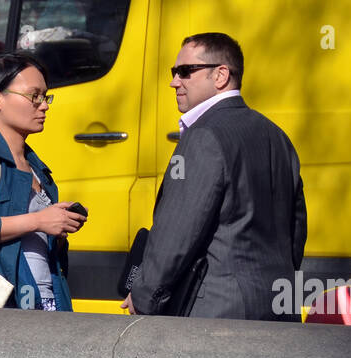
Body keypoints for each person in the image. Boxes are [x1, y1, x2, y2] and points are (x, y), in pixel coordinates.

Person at [123, 32, 306, 320]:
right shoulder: (277, 136)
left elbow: (177, 232)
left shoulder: (202, 137)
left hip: (220, 314)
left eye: (185, 71)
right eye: (174, 72)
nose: (174, 81)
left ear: (221, 75)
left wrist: (145, 295)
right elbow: (295, 231)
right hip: (280, 306)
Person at [0, 51, 85, 311]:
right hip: (7, 308)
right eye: (34, 96)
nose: (44, 105)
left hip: (48, 301)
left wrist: (59, 227)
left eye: (45, 96)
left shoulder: (36, 167)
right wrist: (39, 221)